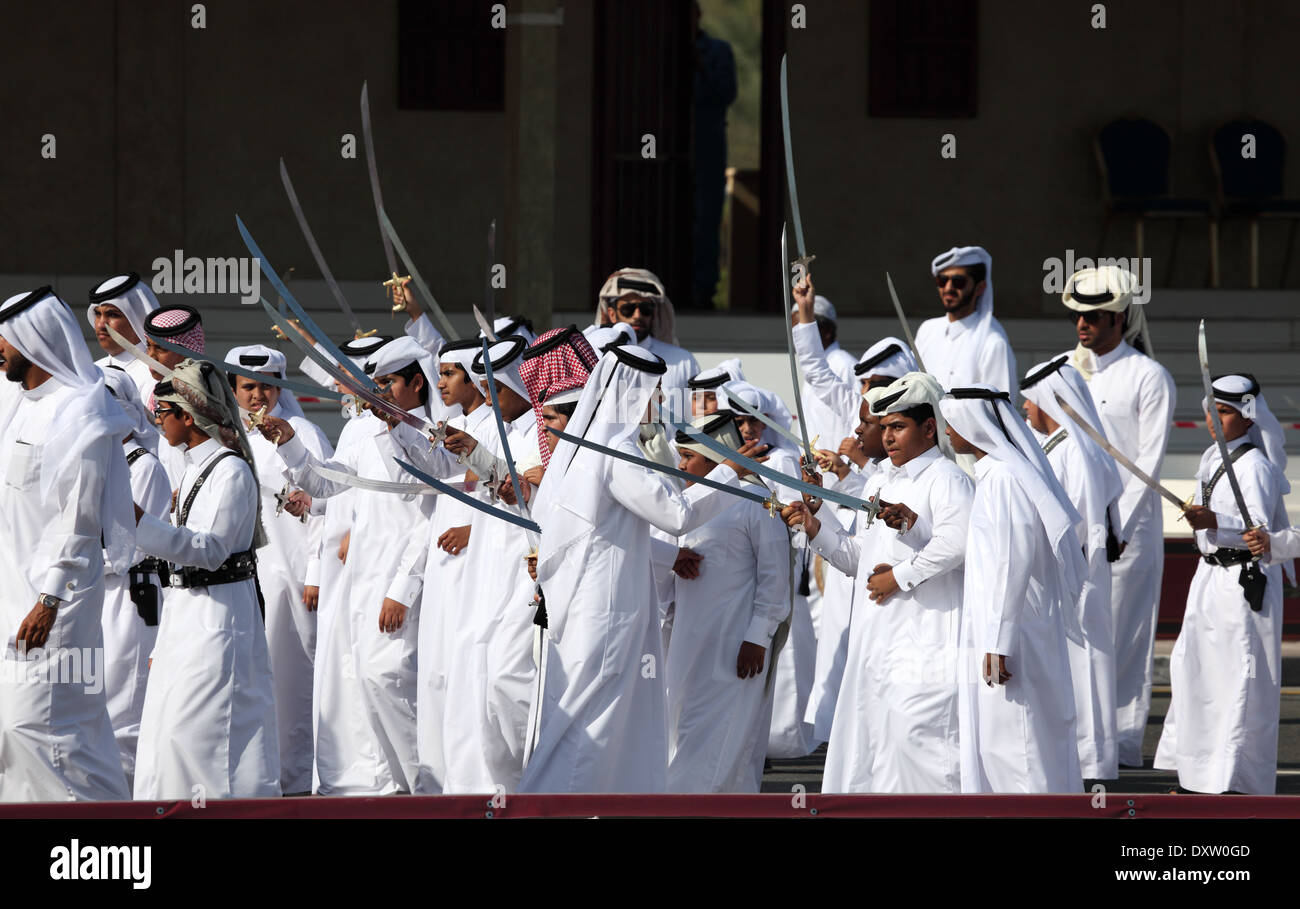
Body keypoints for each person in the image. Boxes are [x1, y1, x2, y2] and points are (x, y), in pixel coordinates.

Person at [520, 342, 761, 793]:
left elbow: (605, 533)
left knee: (605, 718)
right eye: (655, 391)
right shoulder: (613, 451)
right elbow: (676, 515)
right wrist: (730, 472)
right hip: (607, 613)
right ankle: (555, 805)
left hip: (597, 606)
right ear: (633, 394)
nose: (662, 401)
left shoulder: (586, 449)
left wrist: (670, 557)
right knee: (590, 726)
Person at [259, 337, 439, 794]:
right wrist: (289, 444)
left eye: (388, 383)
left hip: (407, 580)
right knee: (366, 679)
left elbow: (430, 518)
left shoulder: (436, 435)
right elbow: (326, 483)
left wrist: (403, 588)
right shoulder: (362, 432)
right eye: (376, 384)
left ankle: (427, 792)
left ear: (417, 383)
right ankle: (395, 791)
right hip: (362, 581)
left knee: (390, 678)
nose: (380, 393)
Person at [786, 372, 972, 792]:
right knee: (872, 758)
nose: (887, 437)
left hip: (925, 645)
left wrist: (898, 578)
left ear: (929, 428)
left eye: (898, 426)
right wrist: (815, 523)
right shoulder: (879, 480)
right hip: (876, 647)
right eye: (884, 427)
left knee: (922, 758)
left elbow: (959, 543)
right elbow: (857, 558)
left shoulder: (947, 478)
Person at [0, 286, 134, 802]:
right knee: (41, 732)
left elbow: (78, 516)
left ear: (32, 339)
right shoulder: (16, 403)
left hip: (57, 598)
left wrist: (49, 599)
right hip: (14, 590)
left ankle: (95, 827)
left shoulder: (80, 409)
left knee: (36, 725)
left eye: (4, 340)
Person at [132, 359, 279, 799]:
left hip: (219, 620)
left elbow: (211, 551)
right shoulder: (194, 466)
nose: (157, 421)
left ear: (188, 416)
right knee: (167, 732)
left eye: (162, 412)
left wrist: (139, 521)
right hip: (184, 618)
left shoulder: (230, 470)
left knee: (202, 734)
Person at [941, 385, 1086, 794]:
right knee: (1004, 738)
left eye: (952, 422)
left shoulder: (1005, 478)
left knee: (1018, 741)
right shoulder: (995, 475)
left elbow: (1011, 561)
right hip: (1002, 626)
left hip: (1014, 631)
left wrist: (998, 642)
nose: (947, 431)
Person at [1154, 374, 1293, 794]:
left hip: (1242, 583)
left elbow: (1259, 531)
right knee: (1196, 672)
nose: (1215, 419)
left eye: (1226, 412)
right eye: (1212, 410)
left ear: (1249, 418)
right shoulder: (1212, 457)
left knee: (1237, 681)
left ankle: (1233, 780)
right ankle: (1198, 775)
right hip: (1209, 577)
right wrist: (1203, 519)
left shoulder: (1255, 467)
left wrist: (1214, 520)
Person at [1060, 265, 1175, 767]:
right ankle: (1078, 742)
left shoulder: (1149, 376)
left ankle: (1122, 746)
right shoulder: (1065, 369)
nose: (1083, 324)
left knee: (1124, 638)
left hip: (1129, 530)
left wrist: (1116, 527)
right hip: (1074, 526)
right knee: (1075, 634)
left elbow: (1149, 459)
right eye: (1078, 316)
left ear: (1120, 318)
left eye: (1094, 316)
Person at [222, 344, 331, 795]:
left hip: (291, 577)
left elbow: (328, 505)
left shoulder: (301, 432)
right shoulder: (225, 434)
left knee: (292, 677)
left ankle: (296, 779)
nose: (258, 396)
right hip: (241, 578)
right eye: (248, 387)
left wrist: (317, 571)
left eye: (267, 387)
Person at [667, 411, 790, 792]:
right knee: (683, 730)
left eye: (689, 456)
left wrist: (757, 637)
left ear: (716, 459)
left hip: (735, 646)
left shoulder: (755, 499)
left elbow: (775, 577)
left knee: (724, 737)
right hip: (687, 644)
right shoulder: (685, 504)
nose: (681, 465)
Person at [1020, 356, 1123, 780]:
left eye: (1029, 400)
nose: (1025, 408)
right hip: (1067, 574)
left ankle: (1092, 761)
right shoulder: (1060, 445)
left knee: (1086, 663)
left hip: (1075, 574)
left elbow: (1076, 520)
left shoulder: (1075, 449)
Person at [98, 366, 171, 791]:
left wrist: (77, 560)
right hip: (94, 596)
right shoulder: (99, 462)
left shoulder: (143, 467)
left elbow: (130, 549)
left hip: (129, 598)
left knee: (125, 706)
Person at [593, 268, 699, 421]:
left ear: (654, 314)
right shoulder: (597, 359)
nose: (637, 316)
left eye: (645, 309)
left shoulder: (683, 361)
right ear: (612, 314)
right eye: (628, 309)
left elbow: (698, 420)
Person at [915, 246, 1016, 393]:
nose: (948, 288)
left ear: (980, 288)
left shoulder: (992, 342)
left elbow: (1000, 404)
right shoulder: (927, 330)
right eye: (942, 280)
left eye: (958, 282)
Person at [142, 303, 207, 489]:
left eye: (161, 348)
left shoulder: (207, 394)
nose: (150, 356)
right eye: (148, 346)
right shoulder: (148, 390)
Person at [85, 273, 159, 403]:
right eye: (97, 314)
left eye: (112, 314)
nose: (101, 324)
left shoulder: (156, 376)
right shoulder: (91, 372)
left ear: (139, 318)